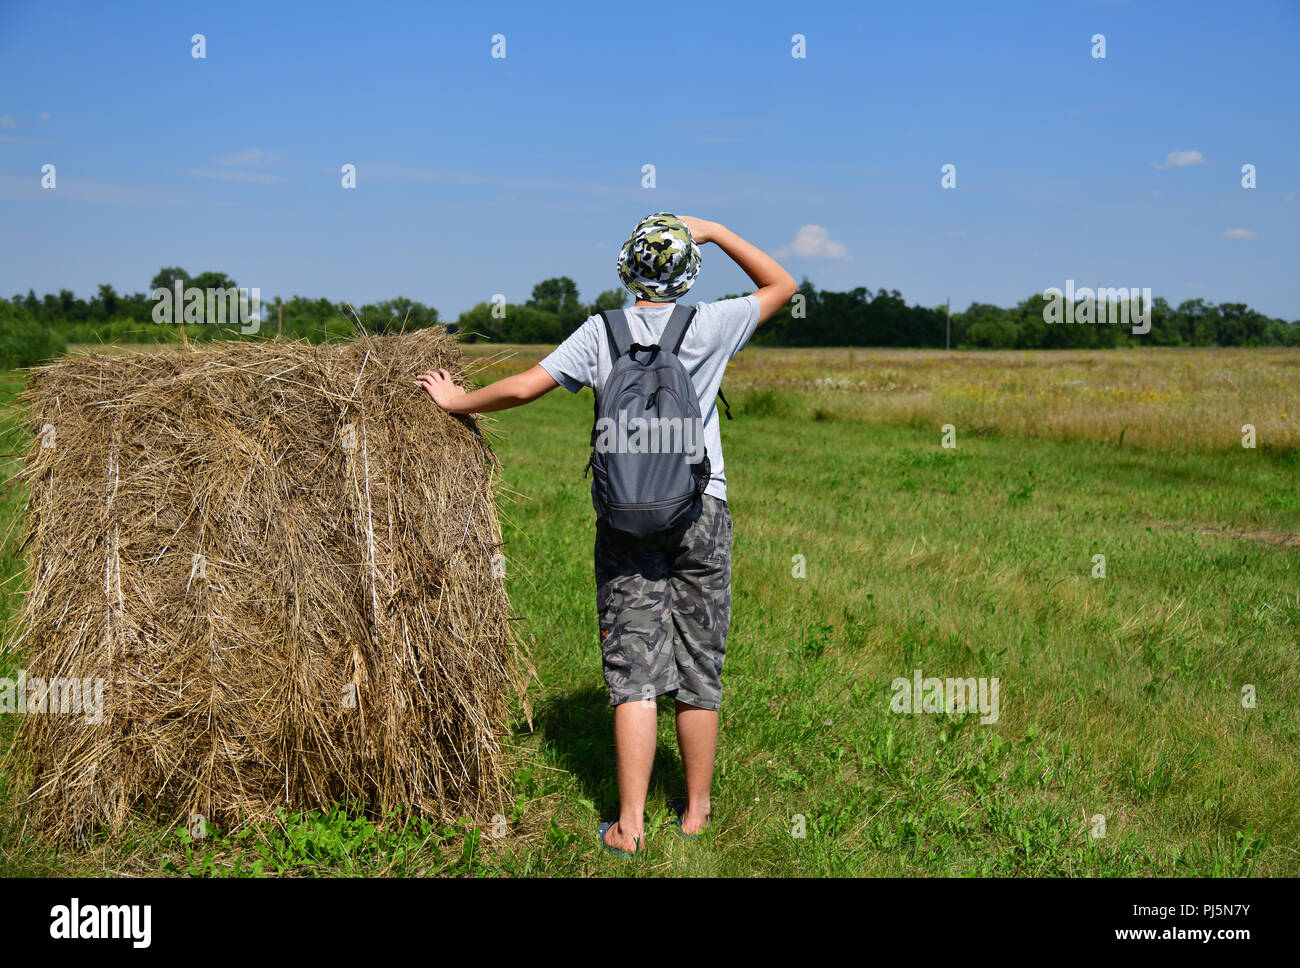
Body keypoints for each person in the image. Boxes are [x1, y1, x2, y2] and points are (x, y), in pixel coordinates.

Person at [418, 212, 795, 856]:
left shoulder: (601, 333)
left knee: (633, 669)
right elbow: (782, 285)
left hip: (624, 517)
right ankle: (697, 813)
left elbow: (525, 388)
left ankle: (629, 825)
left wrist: (458, 401)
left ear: (626, 268)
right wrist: (720, 231)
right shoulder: (711, 325)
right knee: (699, 662)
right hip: (701, 510)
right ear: (690, 271)